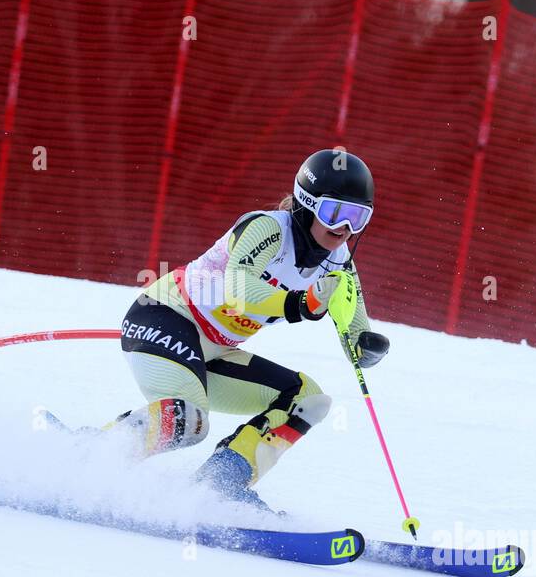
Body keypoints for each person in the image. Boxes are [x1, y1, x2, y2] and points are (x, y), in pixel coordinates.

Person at [108, 148, 390, 510]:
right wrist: (299, 303)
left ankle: (218, 485)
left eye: (358, 217)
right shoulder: (268, 228)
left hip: (217, 348)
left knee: (307, 401)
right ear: (307, 203)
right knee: (189, 419)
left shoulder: (339, 264)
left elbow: (354, 325)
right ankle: (91, 455)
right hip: (165, 317)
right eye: (335, 212)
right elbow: (238, 291)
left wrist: (365, 345)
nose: (345, 228)